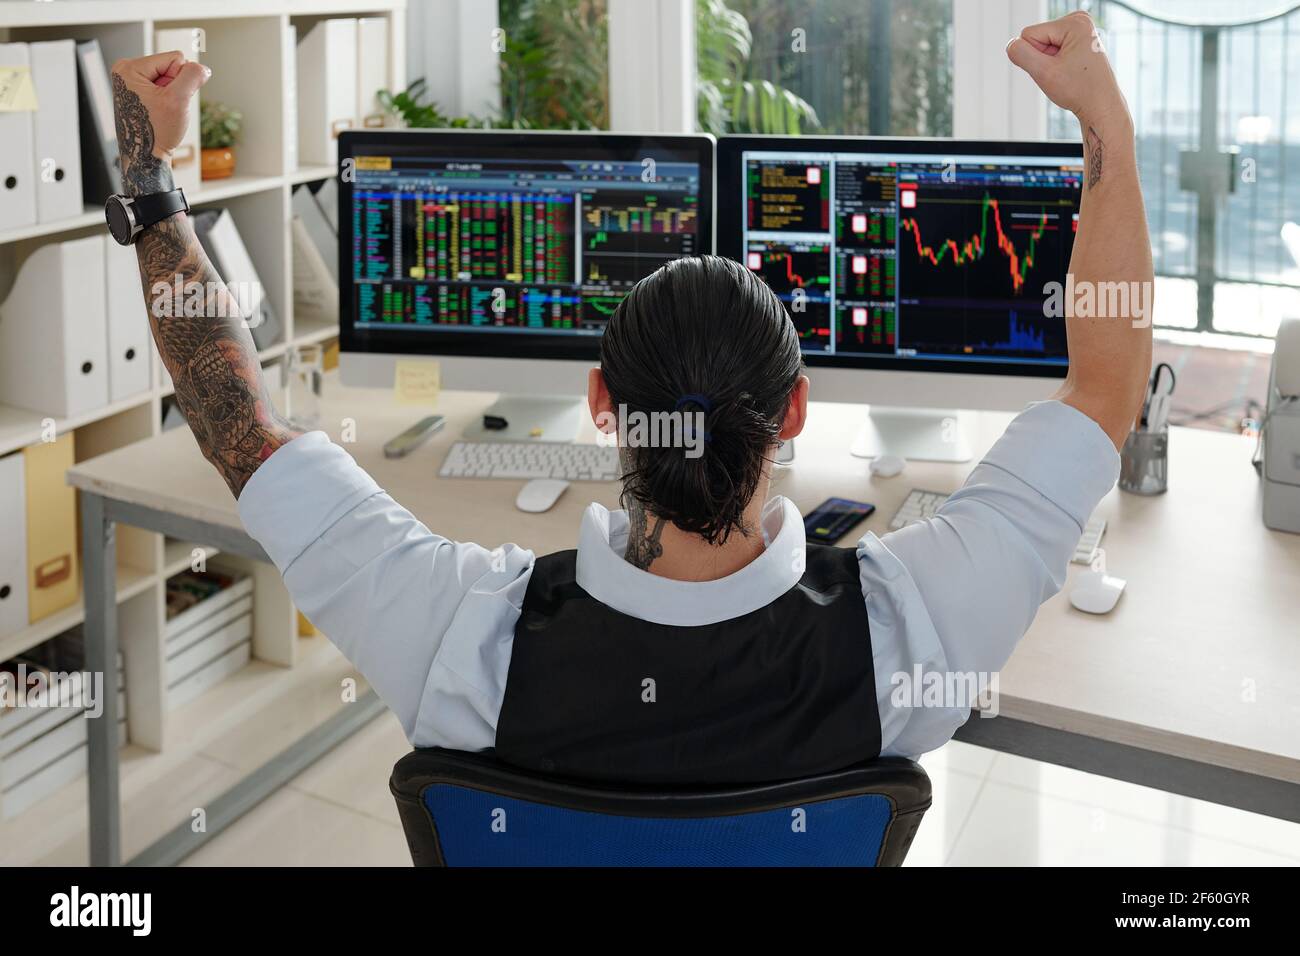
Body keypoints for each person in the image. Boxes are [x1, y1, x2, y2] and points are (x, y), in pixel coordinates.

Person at [107, 11, 1152, 781]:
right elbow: (1104, 386)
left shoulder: (457, 633)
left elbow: (234, 419)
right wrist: (1102, 117)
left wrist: (148, 165)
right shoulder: (907, 633)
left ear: (602, 401)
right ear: (793, 413)